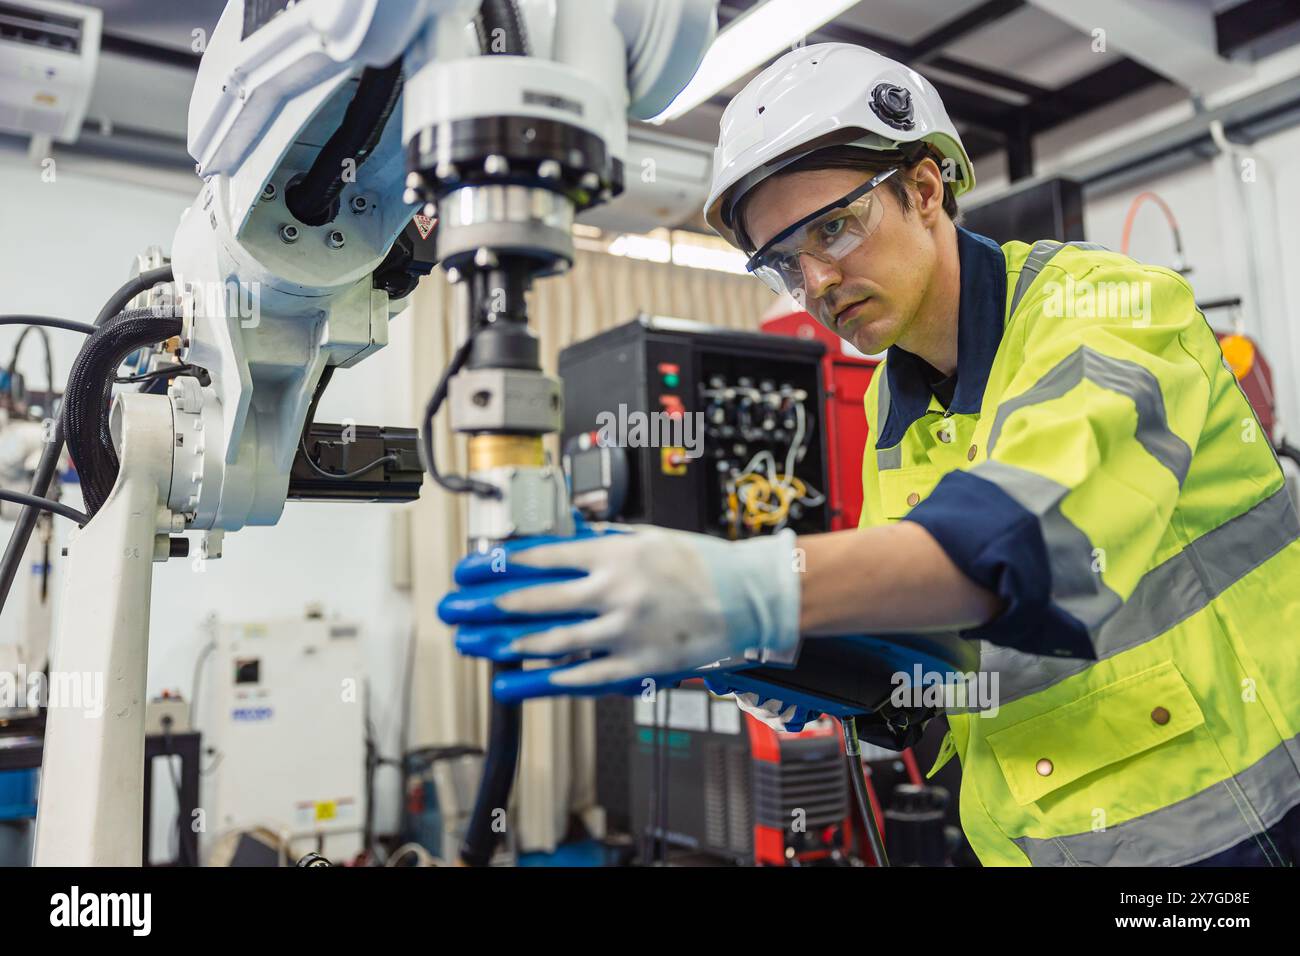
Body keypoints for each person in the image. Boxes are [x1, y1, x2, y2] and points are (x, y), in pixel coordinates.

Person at [440, 43, 1300, 866]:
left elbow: (1012, 550)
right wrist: (778, 661)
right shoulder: (900, 413)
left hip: (1242, 829)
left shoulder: (1107, 312)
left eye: (835, 229)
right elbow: (933, 667)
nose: (813, 283)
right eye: (782, 262)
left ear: (925, 188)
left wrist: (739, 590)